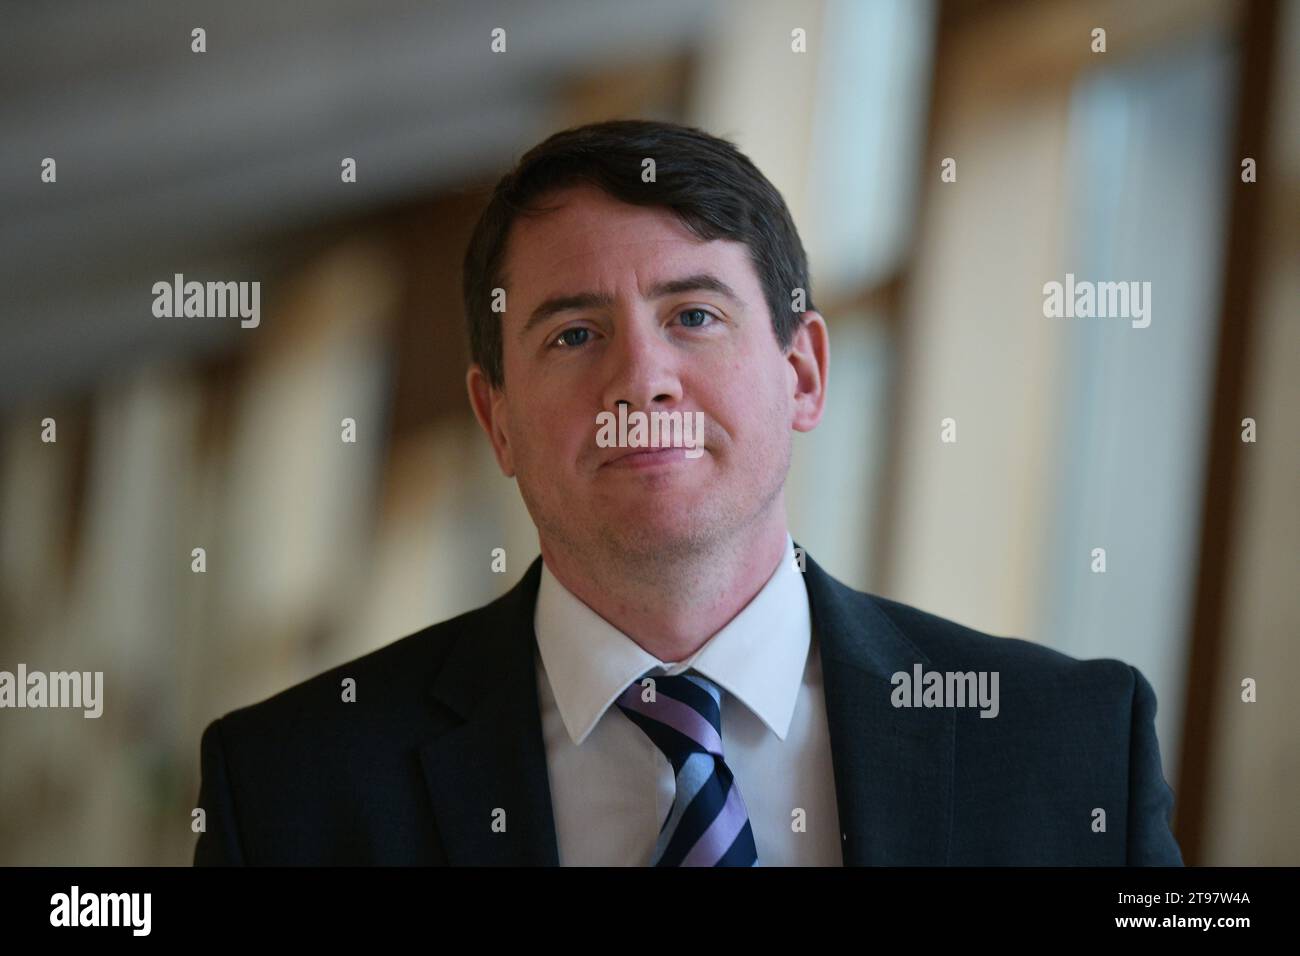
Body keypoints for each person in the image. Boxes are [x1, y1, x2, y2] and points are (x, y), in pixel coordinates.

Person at [193, 119, 1183, 866]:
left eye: (694, 315)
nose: (642, 381)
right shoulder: (292, 788)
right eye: (574, 335)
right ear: (497, 419)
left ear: (803, 373)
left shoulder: (1067, 743)